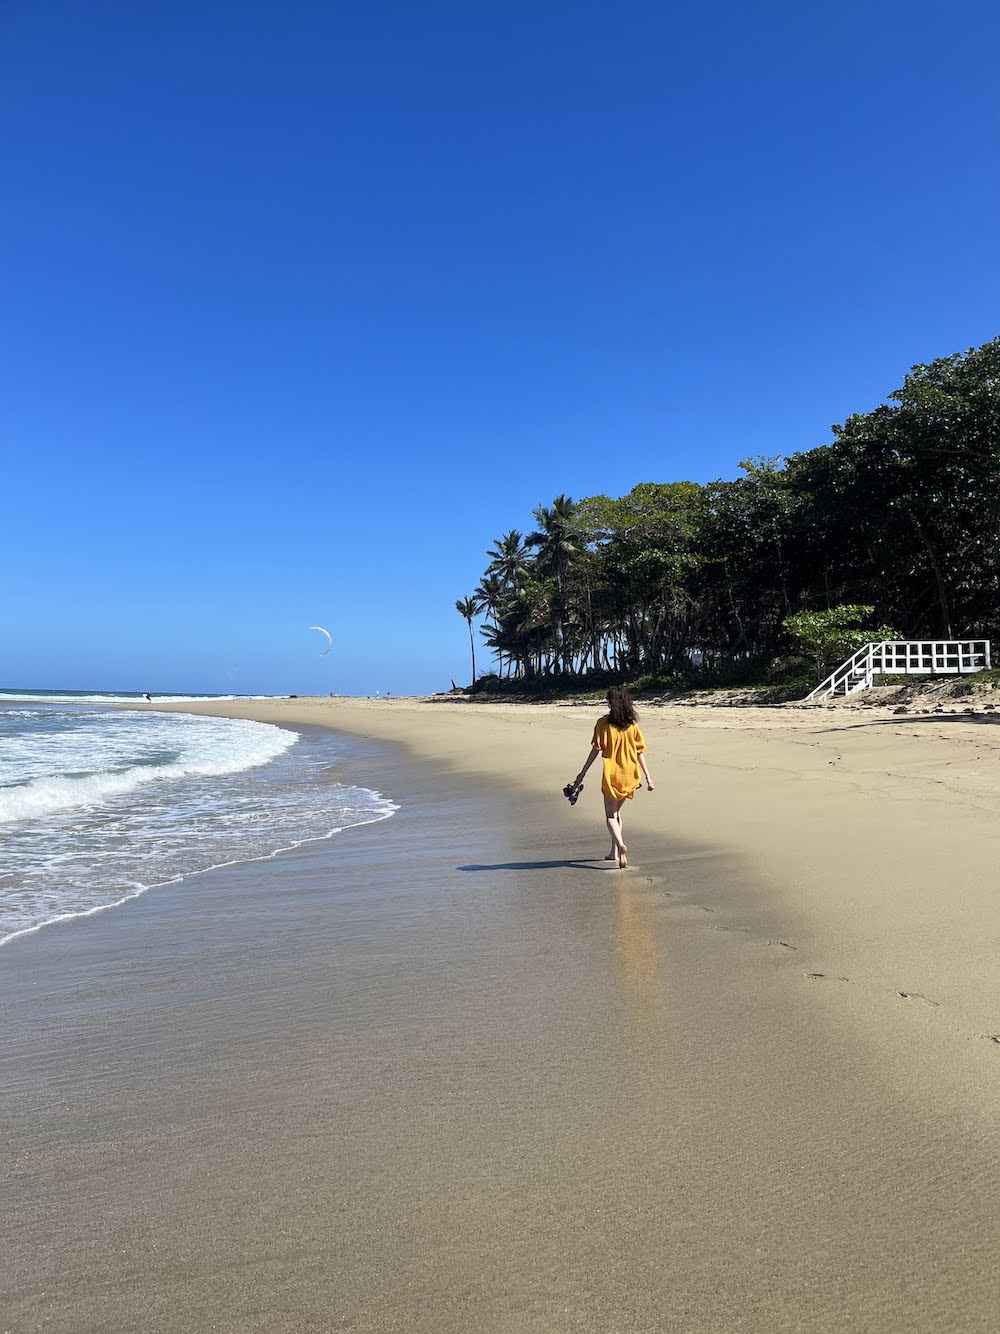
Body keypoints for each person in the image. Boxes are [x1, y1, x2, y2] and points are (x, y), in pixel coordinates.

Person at [572, 685, 654, 868]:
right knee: (617, 813)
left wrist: (582, 773)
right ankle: (614, 853)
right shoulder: (632, 724)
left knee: (610, 815)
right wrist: (648, 777)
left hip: (612, 774)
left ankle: (620, 844)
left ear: (610, 703)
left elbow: (595, 750)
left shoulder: (603, 723)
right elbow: (640, 752)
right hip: (631, 774)